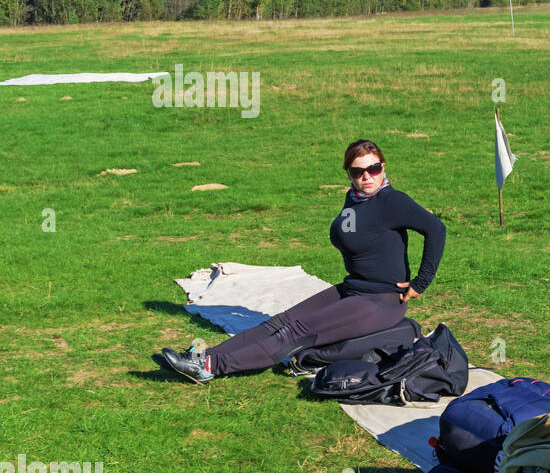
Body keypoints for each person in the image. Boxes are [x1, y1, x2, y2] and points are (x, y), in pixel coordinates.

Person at [156, 139, 447, 384]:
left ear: (383, 167)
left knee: (294, 332)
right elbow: (355, 232)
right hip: (352, 288)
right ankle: (204, 356)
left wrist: (420, 284)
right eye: (359, 172)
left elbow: (436, 229)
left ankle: (209, 369)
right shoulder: (355, 198)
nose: (367, 177)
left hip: (381, 301)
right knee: (280, 321)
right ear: (349, 174)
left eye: (374, 168)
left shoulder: (391, 201)